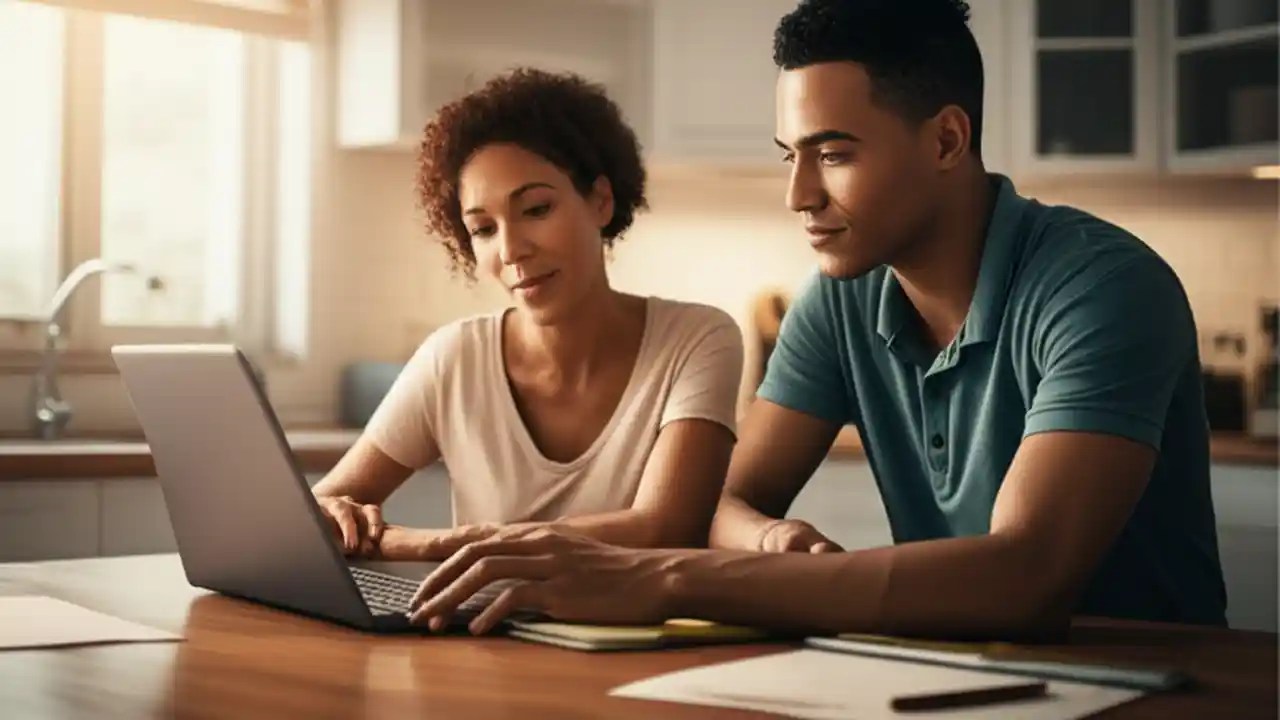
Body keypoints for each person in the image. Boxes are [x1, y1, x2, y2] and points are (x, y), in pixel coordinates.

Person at [405, 0, 1227, 640]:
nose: (799, 195)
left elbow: (1027, 576)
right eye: (788, 155)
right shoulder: (841, 299)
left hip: (1151, 676)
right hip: (940, 665)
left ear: (946, 139)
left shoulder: (1103, 286)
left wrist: (665, 578)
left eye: (832, 154)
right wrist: (764, 540)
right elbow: (728, 499)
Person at [312, 69, 743, 562]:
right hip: (479, 633)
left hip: (631, 636)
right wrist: (335, 513)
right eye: (483, 229)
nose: (512, 249)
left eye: (536, 209)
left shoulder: (696, 339)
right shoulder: (454, 357)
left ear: (600, 200)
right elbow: (324, 504)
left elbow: (668, 526)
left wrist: (434, 543)